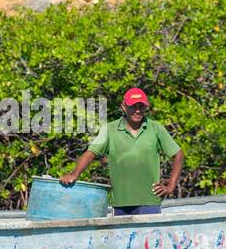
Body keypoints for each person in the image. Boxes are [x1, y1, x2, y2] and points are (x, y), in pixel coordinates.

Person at [60, 87, 184, 216]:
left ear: (146, 107)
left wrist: (170, 186)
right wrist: (75, 174)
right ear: (124, 107)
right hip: (120, 202)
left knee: (148, 237)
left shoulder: (156, 129)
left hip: (149, 201)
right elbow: (90, 154)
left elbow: (178, 155)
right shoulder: (110, 129)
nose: (137, 111)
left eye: (141, 106)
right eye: (133, 106)